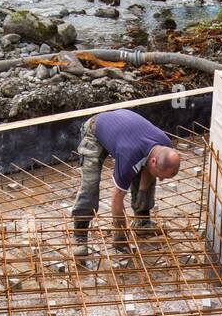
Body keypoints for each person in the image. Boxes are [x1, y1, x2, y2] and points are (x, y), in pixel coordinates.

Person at [71, 108, 181, 258]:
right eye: (161, 176)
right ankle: (80, 233)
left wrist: (142, 194)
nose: (161, 179)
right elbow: (117, 199)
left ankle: (142, 221)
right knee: (90, 183)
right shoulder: (128, 155)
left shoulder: (165, 145)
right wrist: (121, 236)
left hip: (124, 131)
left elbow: (148, 170)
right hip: (95, 130)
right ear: (154, 161)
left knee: (143, 170)